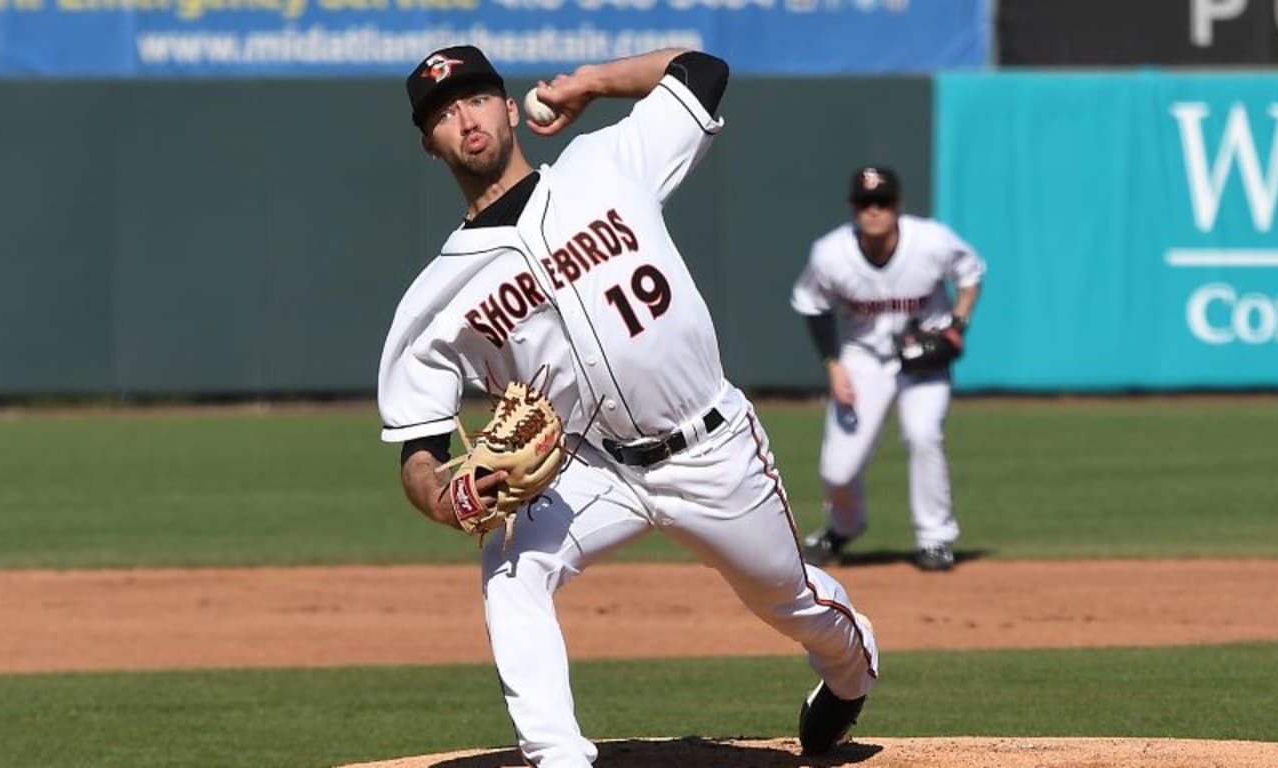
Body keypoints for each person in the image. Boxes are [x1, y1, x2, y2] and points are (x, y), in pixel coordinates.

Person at [377, 46, 878, 766]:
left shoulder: (604, 165)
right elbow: (417, 454)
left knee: (786, 598)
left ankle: (850, 671)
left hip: (710, 447)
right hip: (585, 465)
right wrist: (444, 498)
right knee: (512, 567)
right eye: (443, 115)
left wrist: (589, 83)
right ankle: (558, 756)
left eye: (476, 98)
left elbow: (701, 71)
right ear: (431, 146)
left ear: (509, 108)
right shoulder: (436, 299)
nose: (465, 118)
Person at [791, 166, 985, 572]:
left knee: (923, 435)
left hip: (924, 358)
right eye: (865, 203)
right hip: (863, 360)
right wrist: (833, 365)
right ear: (852, 208)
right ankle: (844, 526)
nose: (873, 210)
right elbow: (811, 304)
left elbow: (971, 273)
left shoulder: (931, 241)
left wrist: (959, 321)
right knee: (838, 468)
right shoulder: (830, 253)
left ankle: (935, 540)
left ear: (896, 205)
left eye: (882, 202)